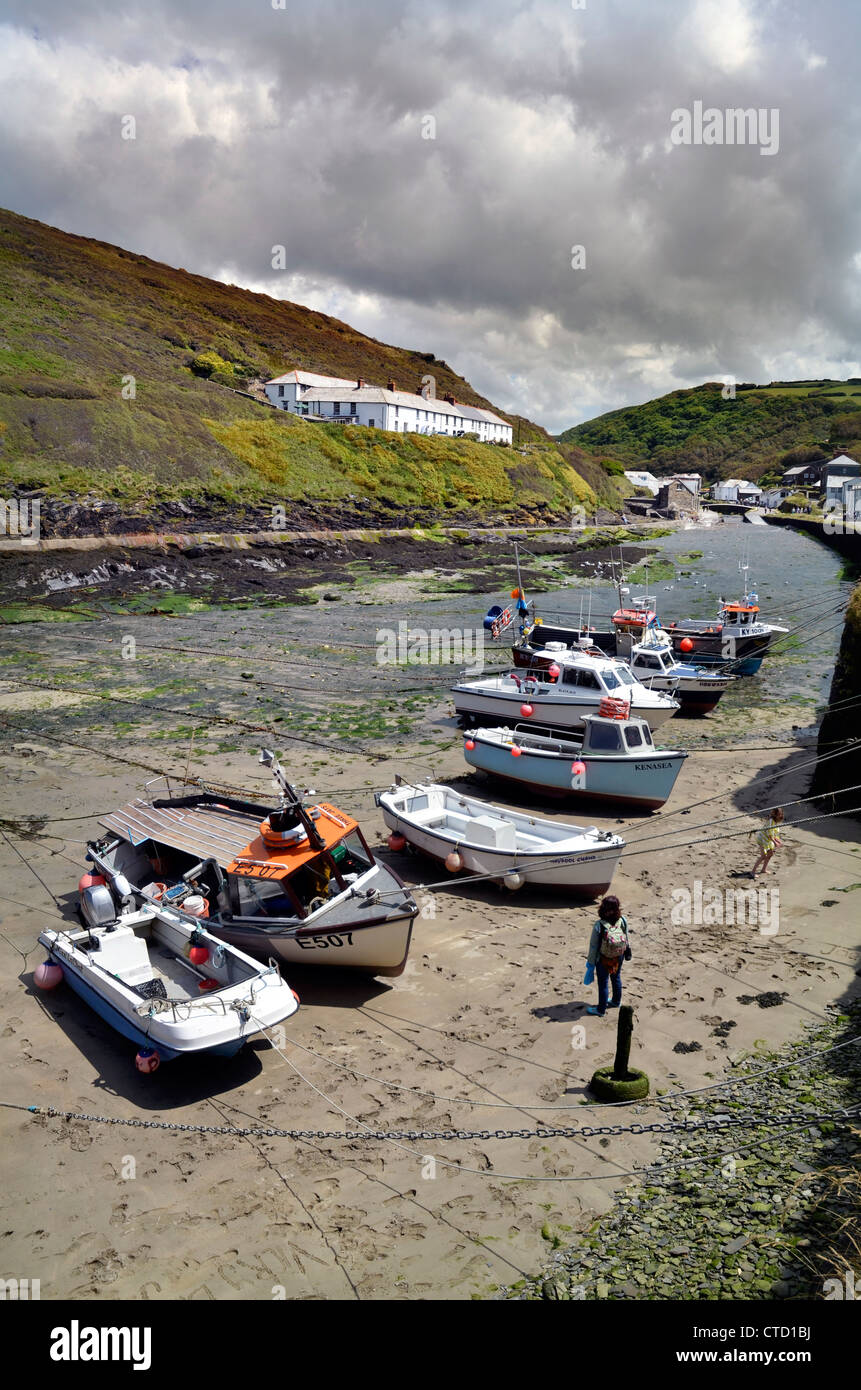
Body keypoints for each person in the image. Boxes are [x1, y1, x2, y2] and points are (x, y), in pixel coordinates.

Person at [583, 895, 631, 1017]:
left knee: (603, 983)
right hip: (618, 956)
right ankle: (615, 1001)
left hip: (603, 958)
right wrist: (627, 952)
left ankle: (601, 1010)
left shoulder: (599, 924)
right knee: (616, 978)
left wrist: (591, 963)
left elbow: (593, 946)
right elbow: (625, 937)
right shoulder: (622, 920)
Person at [750, 807, 784, 878]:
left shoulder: (775, 822)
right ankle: (753, 872)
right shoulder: (771, 822)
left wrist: (779, 841)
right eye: (779, 815)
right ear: (775, 815)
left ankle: (763, 869)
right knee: (763, 856)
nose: (780, 816)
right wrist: (775, 843)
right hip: (763, 839)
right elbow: (770, 836)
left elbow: (774, 835)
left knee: (770, 854)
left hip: (768, 840)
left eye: (781, 815)